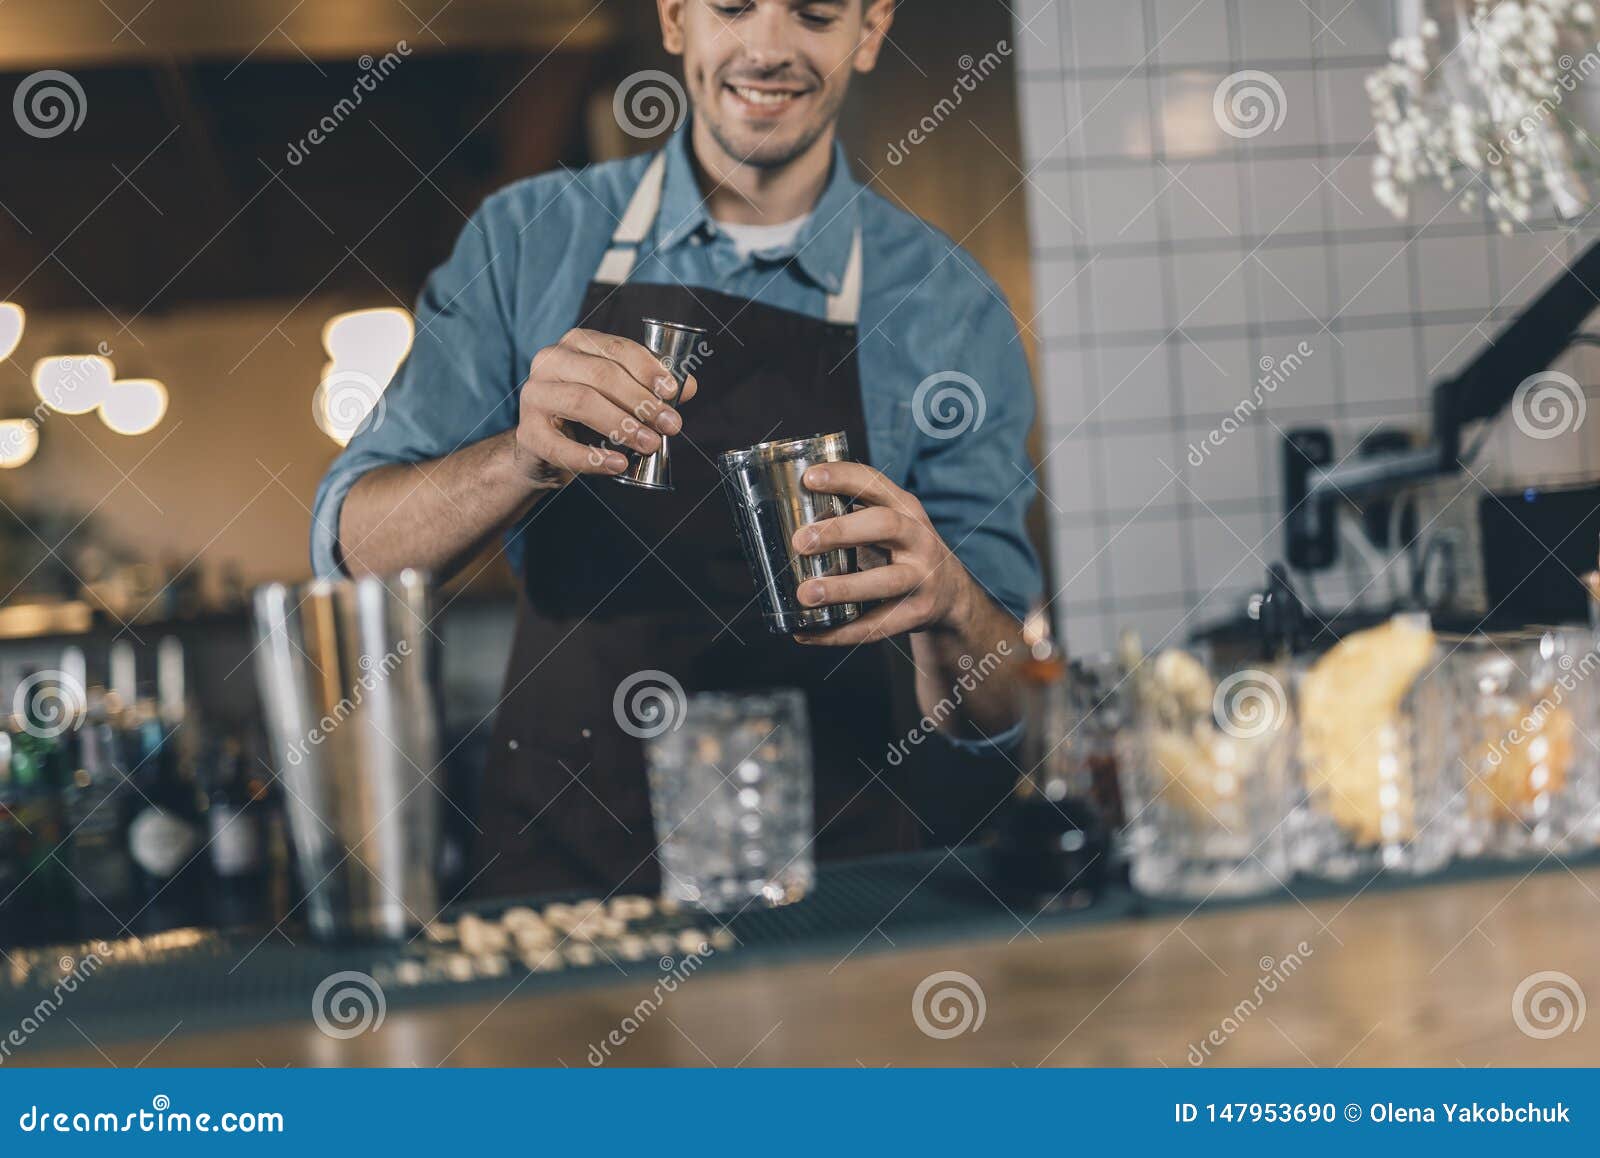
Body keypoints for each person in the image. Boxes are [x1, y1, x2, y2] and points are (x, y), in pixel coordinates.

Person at [311, 0, 1043, 895]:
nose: (768, 49)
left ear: (871, 27)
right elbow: (356, 549)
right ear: (672, 18)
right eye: (733, 6)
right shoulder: (529, 239)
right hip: (562, 884)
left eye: (814, 13)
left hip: (834, 897)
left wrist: (954, 606)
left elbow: (1011, 716)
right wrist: (521, 458)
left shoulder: (949, 307)